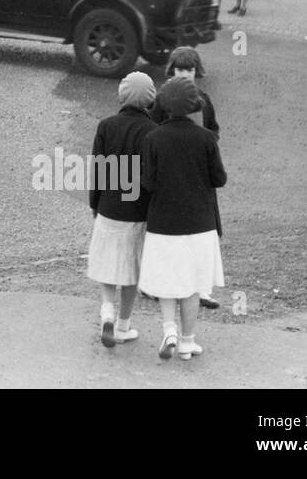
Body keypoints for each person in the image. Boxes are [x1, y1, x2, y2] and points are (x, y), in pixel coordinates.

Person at [139, 76, 227, 362]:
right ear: (194, 106)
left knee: (167, 279)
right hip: (200, 224)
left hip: (164, 222)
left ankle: (169, 331)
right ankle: (188, 342)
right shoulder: (206, 138)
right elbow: (219, 178)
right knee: (192, 286)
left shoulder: (152, 138)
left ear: (164, 104)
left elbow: (147, 183)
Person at [88, 72, 158, 347]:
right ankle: (123, 326)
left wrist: (96, 203)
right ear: (150, 99)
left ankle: (106, 310)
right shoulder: (153, 132)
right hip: (138, 212)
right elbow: (153, 178)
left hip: (109, 206)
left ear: (121, 95)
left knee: (107, 263)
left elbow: (99, 169)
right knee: (131, 269)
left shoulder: (107, 126)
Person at [148, 46, 222, 310]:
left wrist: (207, 144)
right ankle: (160, 287)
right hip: (171, 171)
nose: (185, 74)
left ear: (196, 71)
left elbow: (213, 128)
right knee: (168, 235)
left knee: (201, 234)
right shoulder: (163, 98)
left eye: (189, 70)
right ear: (172, 70)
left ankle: (201, 289)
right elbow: (151, 128)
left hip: (198, 171)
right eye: (180, 69)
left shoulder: (204, 98)